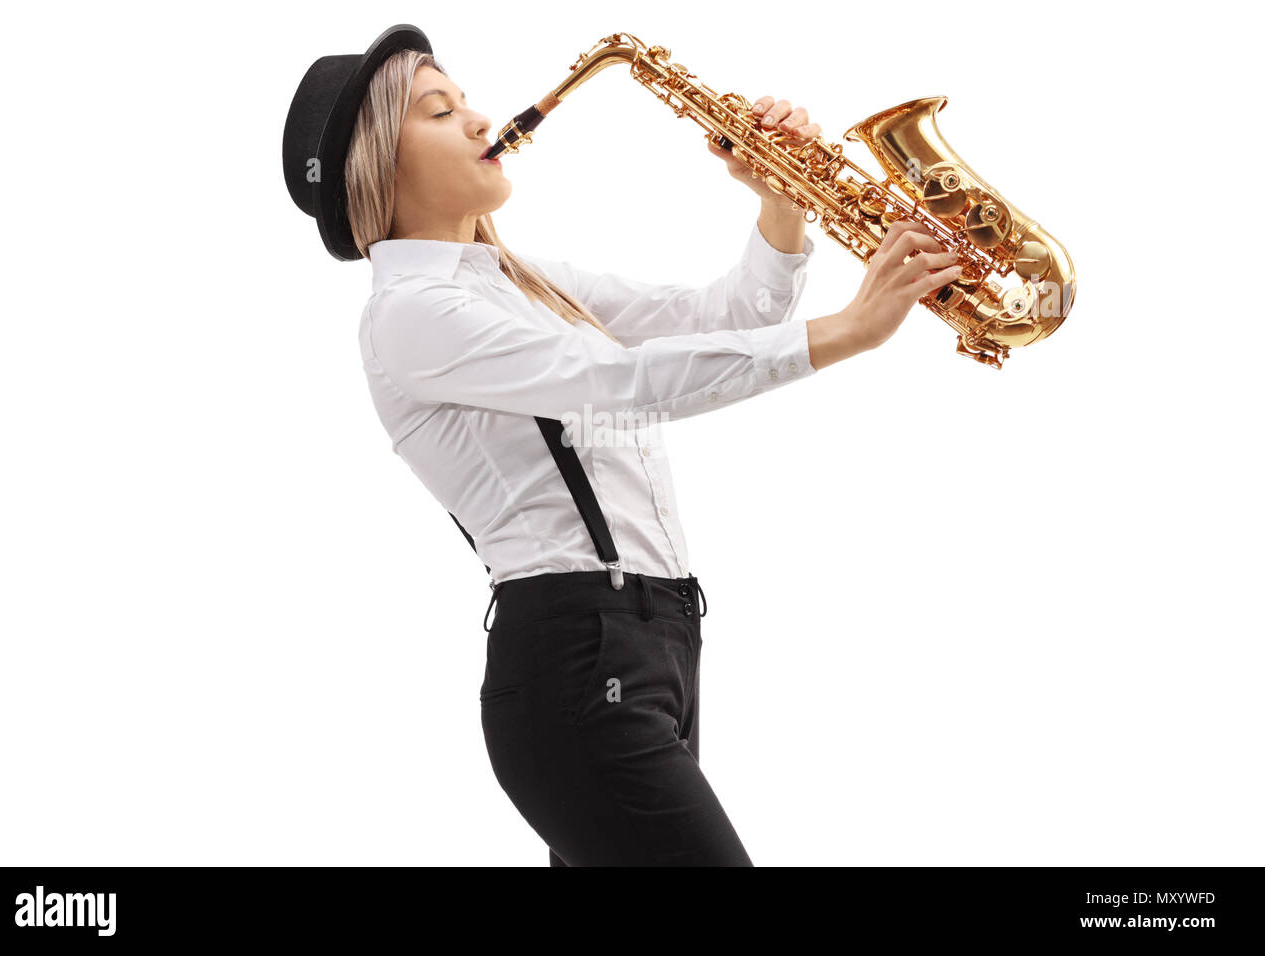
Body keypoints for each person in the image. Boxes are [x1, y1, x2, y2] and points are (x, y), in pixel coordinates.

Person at [283, 25, 963, 866]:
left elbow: (727, 320)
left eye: (463, 99)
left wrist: (781, 205)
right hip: (575, 657)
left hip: (661, 639)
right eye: (439, 110)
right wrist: (851, 329)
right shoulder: (410, 313)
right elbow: (622, 381)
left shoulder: (520, 281)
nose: (477, 119)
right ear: (379, 163)